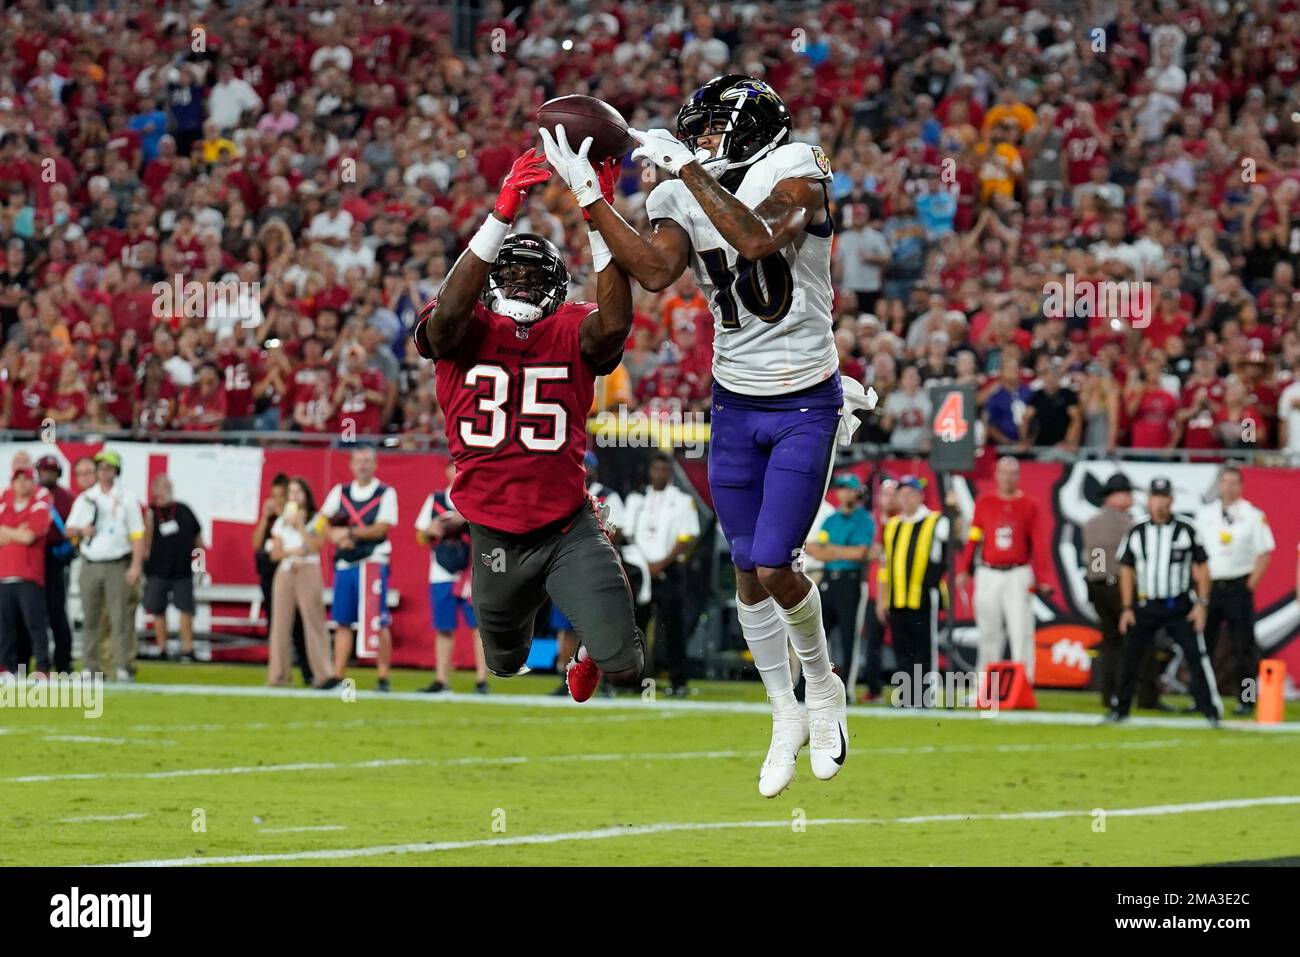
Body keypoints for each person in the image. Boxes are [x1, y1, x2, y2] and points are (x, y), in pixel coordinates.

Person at [553, 74, 858, 796]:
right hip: (734, 403)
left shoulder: (799, 168)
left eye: (713, 131)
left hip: (804, 399)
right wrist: (592, 199)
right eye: (695, 135)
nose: (698, 144)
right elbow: (657, 270)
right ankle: (782, 710)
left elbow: (755, 240)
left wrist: (687, 169)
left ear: (753, 128)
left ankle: (823, 687)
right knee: (745, 569)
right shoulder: (678, 190)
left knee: (775, 560)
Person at [411, 147, 645, 703]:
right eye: (508, 274)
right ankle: (552, 601)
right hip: (492, 528)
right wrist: (502, 212)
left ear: (557, 286)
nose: (518, 284)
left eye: (531, 275)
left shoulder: (574, 325)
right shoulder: (460, 325)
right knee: (506, 663)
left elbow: (615, 324)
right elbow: (444, 321)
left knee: (626, 664)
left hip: (564, 524)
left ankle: (587, 642)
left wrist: (597, 209)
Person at [1108, 478, 1222, 726]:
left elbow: (1203, 567)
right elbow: (1126, 570)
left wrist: (1202, 604)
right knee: (1130, 656)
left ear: (1172, 499)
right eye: (1155, 497)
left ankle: (1209, 709)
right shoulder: (1137, 530)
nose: (1160, 502)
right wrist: (1127, 607)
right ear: (1149, 500)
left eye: (1164, 497)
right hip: (1145, 604)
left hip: (1178, 605)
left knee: (1195, 655)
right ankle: (1121, 707)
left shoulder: (1187, 529)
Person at [956, 456, 1052, 684]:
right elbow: (974, 537)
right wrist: (965, 568)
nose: (1008, 478)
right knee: (988, 630)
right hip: (988, 572)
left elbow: (1038, 542)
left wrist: (1043, 577)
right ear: (996, 475)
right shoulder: (985, 502)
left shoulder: (1029, 505)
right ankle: (985, 685)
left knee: (1020, 629)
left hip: (1017, 573)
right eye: (1003, 473)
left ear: (1018, 477)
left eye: (1012, 474)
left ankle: (1023, 684)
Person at [1193, 466, 1274, 715]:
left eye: (1233, 483)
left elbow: (1265, 551)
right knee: (1203, 645)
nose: (1228, 487)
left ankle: (1246, 700)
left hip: (1238, 586)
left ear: (1241, 486)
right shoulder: (1204, 515)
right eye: (1224, 482)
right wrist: (1199, 580)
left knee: (1243, 647)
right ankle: (1202, 699)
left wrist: (1250, 583)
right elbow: (1195, 553)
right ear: (1219, 485)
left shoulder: (1252, 515)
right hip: (1211, 586)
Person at [320, 445, 398, 692]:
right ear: (351, 465)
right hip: (345, 563)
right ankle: (337, 674)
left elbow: (381, 528)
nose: (363, 465)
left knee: (378, 620)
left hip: (372, 562)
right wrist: (334, 536)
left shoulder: (385, 492)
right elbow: (322, 521)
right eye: (358, 461)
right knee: (342, 620)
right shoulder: (340, 492)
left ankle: (383, 676)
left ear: (375, 464)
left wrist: (350, 533)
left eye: (367, 461)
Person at [623, 452, 701, 696]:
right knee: (637, 627)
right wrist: (645, 565)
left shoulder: (682, 500)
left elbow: (687, 537)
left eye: (665, 470)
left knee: (672, 629)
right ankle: (637, 680)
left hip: (669, 572)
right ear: (650, 471)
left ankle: (678, 682)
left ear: (671, 473)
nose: (660, 474)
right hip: (640, 571)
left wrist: (661, 564)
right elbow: (627, 533)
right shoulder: (637, 499)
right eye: (656, 469)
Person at [65, 449, 145, 681]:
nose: (103, 472)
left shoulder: (127, 498)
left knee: (119, 618)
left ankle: (122, 665)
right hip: (90, 562)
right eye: (100, 468)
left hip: (117, 563)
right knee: (90, 618)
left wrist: (136, 566)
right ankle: (90, 666)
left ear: (116, 471)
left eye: (108, 468)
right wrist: (81, 531)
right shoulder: (87, 498)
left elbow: (137, 534)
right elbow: (69, 530)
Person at [415, 464, 489, 695]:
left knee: (478, 627)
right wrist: (431, 530)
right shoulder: (435, 499)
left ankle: (481, 680)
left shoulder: (477, 498)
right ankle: (441, 678)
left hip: (471, 571)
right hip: (441, 571)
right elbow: (419, 535)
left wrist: (467, 518)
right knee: (443, 627)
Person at [877, 475, 950, 707]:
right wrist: (881, 598)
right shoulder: (893, 525)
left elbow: (955, 538)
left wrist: (955, 508)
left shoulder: (936, 521)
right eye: (902, 494)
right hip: (897, 597)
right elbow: (885, 565)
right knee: (902, 648)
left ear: (920, 495)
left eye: (910, 493)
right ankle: (906, 695)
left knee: (923, 648)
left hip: (924, 596)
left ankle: (925, 695)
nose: (906, 498)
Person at [267, 478, 337, 689]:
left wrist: (299, 526)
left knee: (313, 620)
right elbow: (275, 554)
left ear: (306, 495)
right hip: (287, 570)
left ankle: (324, 674)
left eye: (298, 492)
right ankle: (278, 675)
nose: (295, 496)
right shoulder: (280, 522)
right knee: (280, 624)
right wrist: (290, 551)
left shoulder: (317, 519)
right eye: (291, 492)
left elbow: (315, 547)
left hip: (308, 569)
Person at [804, 473, 874, 680]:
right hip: (828, 579)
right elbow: (813, 549)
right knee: (816, 633)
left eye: (848, 489)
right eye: (841, 489)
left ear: (856, 492)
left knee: (848, 636)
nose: (843, 493)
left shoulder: (863, 519)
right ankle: (810, 684)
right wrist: (843, 551)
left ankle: (847, 686)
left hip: (851, 580)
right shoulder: (831, 518)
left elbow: (859, 553)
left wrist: (829, 551)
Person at [1082, 473, 1137, 709]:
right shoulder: (1128, 524)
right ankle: (1133, 692)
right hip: (1119, 588)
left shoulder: (1091, 523)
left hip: (1097, 586)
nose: (1130, 497)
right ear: (1115, 497)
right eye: (1126, 493)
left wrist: (1099, 582)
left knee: (1109, 642)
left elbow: (1095, 562)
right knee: (1132, 643)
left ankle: (1108, 693)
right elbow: (1130, 561)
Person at [253, 473, 312, 686]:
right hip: (270, 574)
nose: (277, 500)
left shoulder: (294, 518)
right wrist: (264, 517)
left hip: (291, 571)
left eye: (282, 495)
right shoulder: (273, 521)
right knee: (276, 626)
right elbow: (257, 543)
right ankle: (280, 673)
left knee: (299, 626)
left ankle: (308, 670)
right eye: (274, 495)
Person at [142, 475, 203, 661]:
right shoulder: (150, 513)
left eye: (168, 486)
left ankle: (188, 648)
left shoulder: (184, 510)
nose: (166, 489)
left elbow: (198, 539)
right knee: (158, 610)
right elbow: (144, 541)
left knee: (186, 610)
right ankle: (162, 648)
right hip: (156, 570)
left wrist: (200, 567)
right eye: (162, 486)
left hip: (182, 570)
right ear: (154, 490)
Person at [0, 465, 52, 676]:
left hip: (29, 576)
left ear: (33, 483)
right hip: (4, 575)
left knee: (35, 625)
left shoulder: (39, 507)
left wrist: (5, 531)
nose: (22, 483)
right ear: (12, 484)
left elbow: (30, 537)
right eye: (18, 479)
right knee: (5, 627)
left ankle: (42, 667)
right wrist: (18, 531)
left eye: (26, 479)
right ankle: (6, 668)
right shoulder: (5, 507)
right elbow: (23, 535)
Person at [35, 456, 75, 673]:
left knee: (57, 611)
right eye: (43, 470)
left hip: (54, 559)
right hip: (32, 558)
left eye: (51, 471)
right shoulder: (31, 495)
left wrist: (68, 549)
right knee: (29, 612)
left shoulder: (67, 498)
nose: (46, 474)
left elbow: (74, 529)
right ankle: (26, 658)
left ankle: (63, 661)